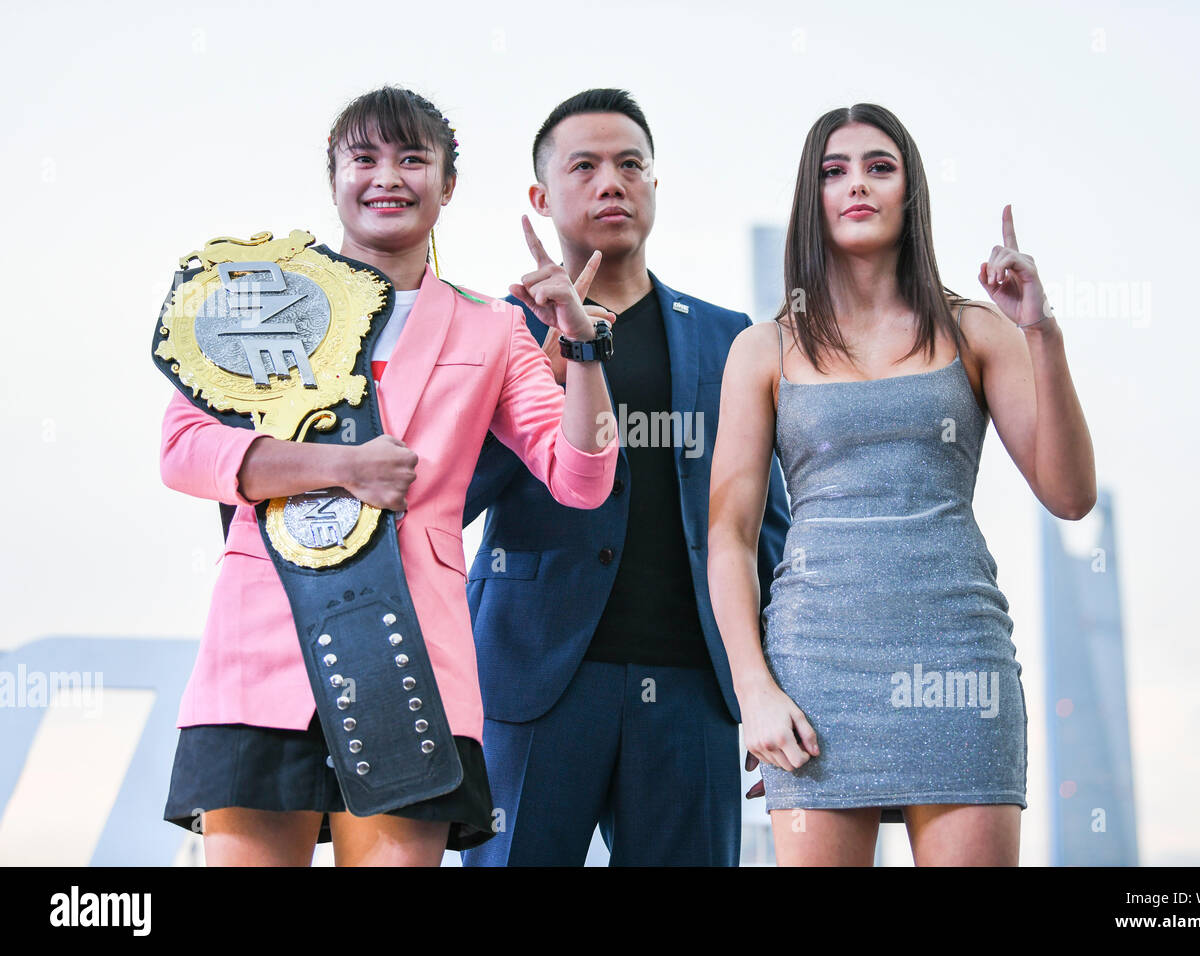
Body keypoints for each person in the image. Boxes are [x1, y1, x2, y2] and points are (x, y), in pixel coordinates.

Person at [158, 86, 619, 866]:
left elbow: (582, 477)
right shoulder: (253, 298)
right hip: (263, 647)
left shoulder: (494, 325)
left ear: (448, 182)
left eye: (413, 159)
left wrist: (579, 348)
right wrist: (347, 469)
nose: (388, 177)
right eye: (364, 158)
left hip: (412, 663)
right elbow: (184, 451)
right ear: (333, 174)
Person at [707, 103, 1096, 866]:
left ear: (910, 193)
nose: (858, 184)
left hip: (960, 664)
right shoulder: (762, 349)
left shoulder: (977, 330)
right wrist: (754, 688)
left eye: (879, 167)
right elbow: (728, 535)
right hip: (817, 670)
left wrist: (1040, 333)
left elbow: (1070, 495)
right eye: (835, 170)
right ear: (810, 198)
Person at [459, 89, 790, 866]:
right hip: (532, 680)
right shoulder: (494, 330)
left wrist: (770, 684)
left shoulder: (726, 336)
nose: (613, 181)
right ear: (541, 198)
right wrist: (545, 367)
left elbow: (762, 525)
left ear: (653, 185)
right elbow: (453, 495)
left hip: (691, 689)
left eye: (631, 164)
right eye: (586, 166)